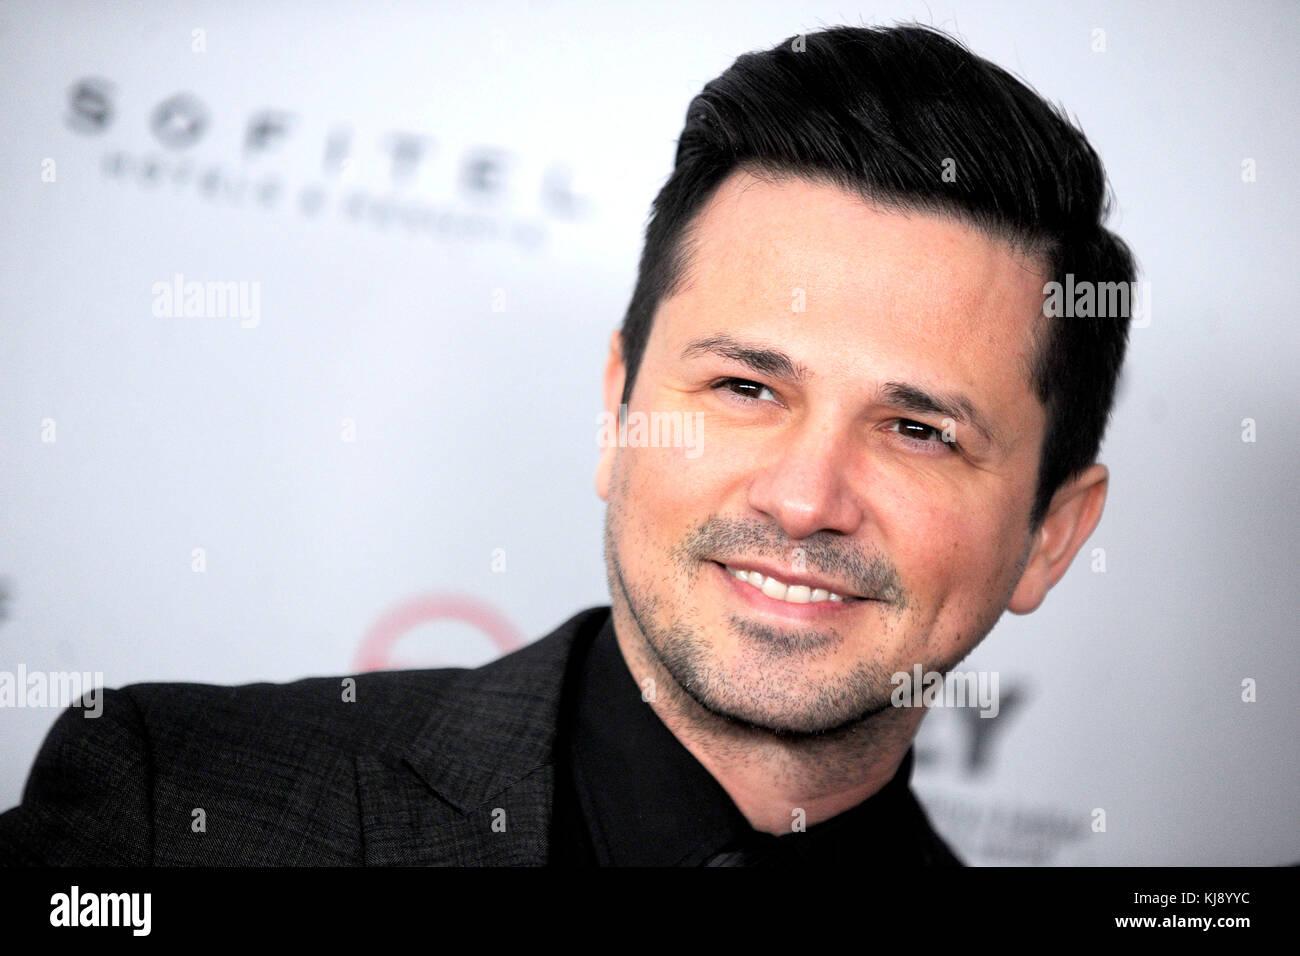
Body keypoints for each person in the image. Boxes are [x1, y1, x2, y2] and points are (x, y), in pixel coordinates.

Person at [0, 23, 1135, 866]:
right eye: (744, 385)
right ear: (619, 409)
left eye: (916, 429)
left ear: (1051, 534)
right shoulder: (174, 810)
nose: (803, 498)